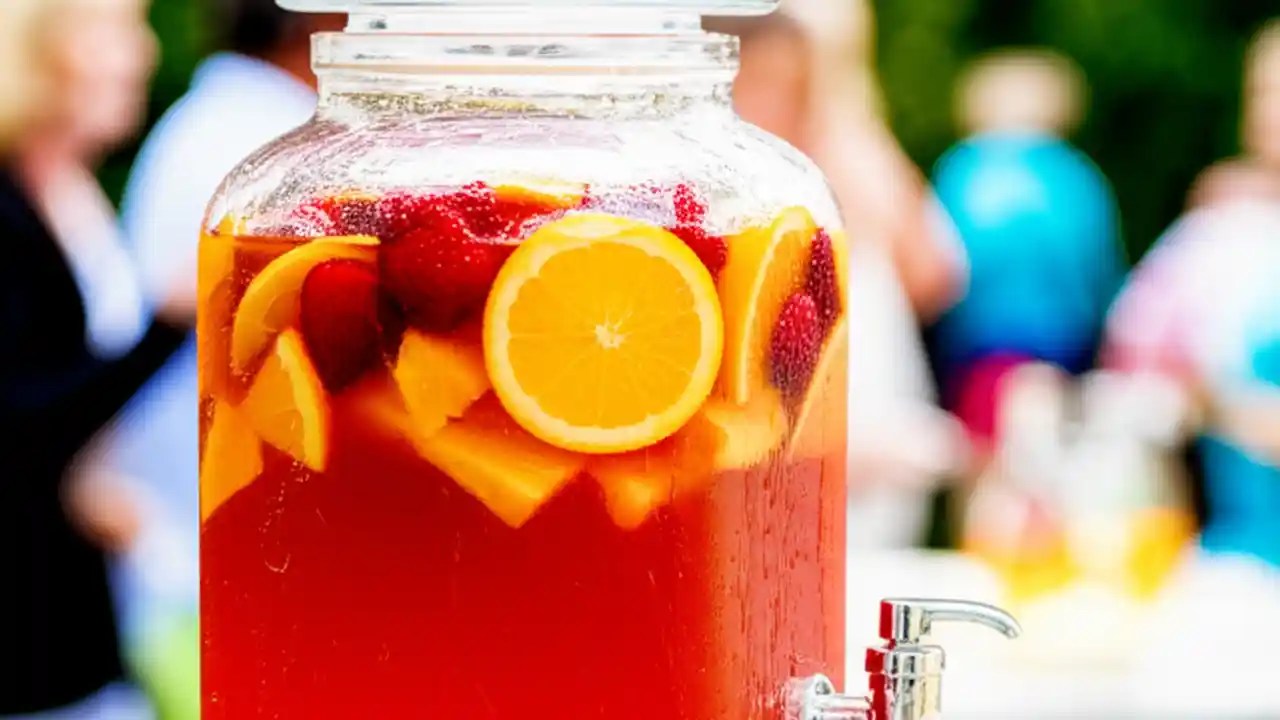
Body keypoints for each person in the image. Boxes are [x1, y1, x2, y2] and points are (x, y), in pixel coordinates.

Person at [93, 2, 342, 717]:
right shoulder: (267, 148)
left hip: (192, 540)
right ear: (322, 24)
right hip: (222, 552)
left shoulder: (213, 121)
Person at [711, 2, 970, 548]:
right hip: (794, 484)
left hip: (874, 472)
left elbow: (936, 271)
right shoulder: (719, 202)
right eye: (759, 83)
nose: (773, 103)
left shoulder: (838, 159)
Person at [0, 0, 186, 716]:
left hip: (84, 598)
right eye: (117, 30)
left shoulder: (66, 186)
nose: (141, 54)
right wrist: (166, 326)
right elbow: (20, 420)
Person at [931, 50, 1125, 462]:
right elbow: (1099, 268)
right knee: (1050, 463)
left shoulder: (964, 168)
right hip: (1063, 349)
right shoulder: (1075, 173)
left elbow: (942, 266)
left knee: (985, 463)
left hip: (980, 353)